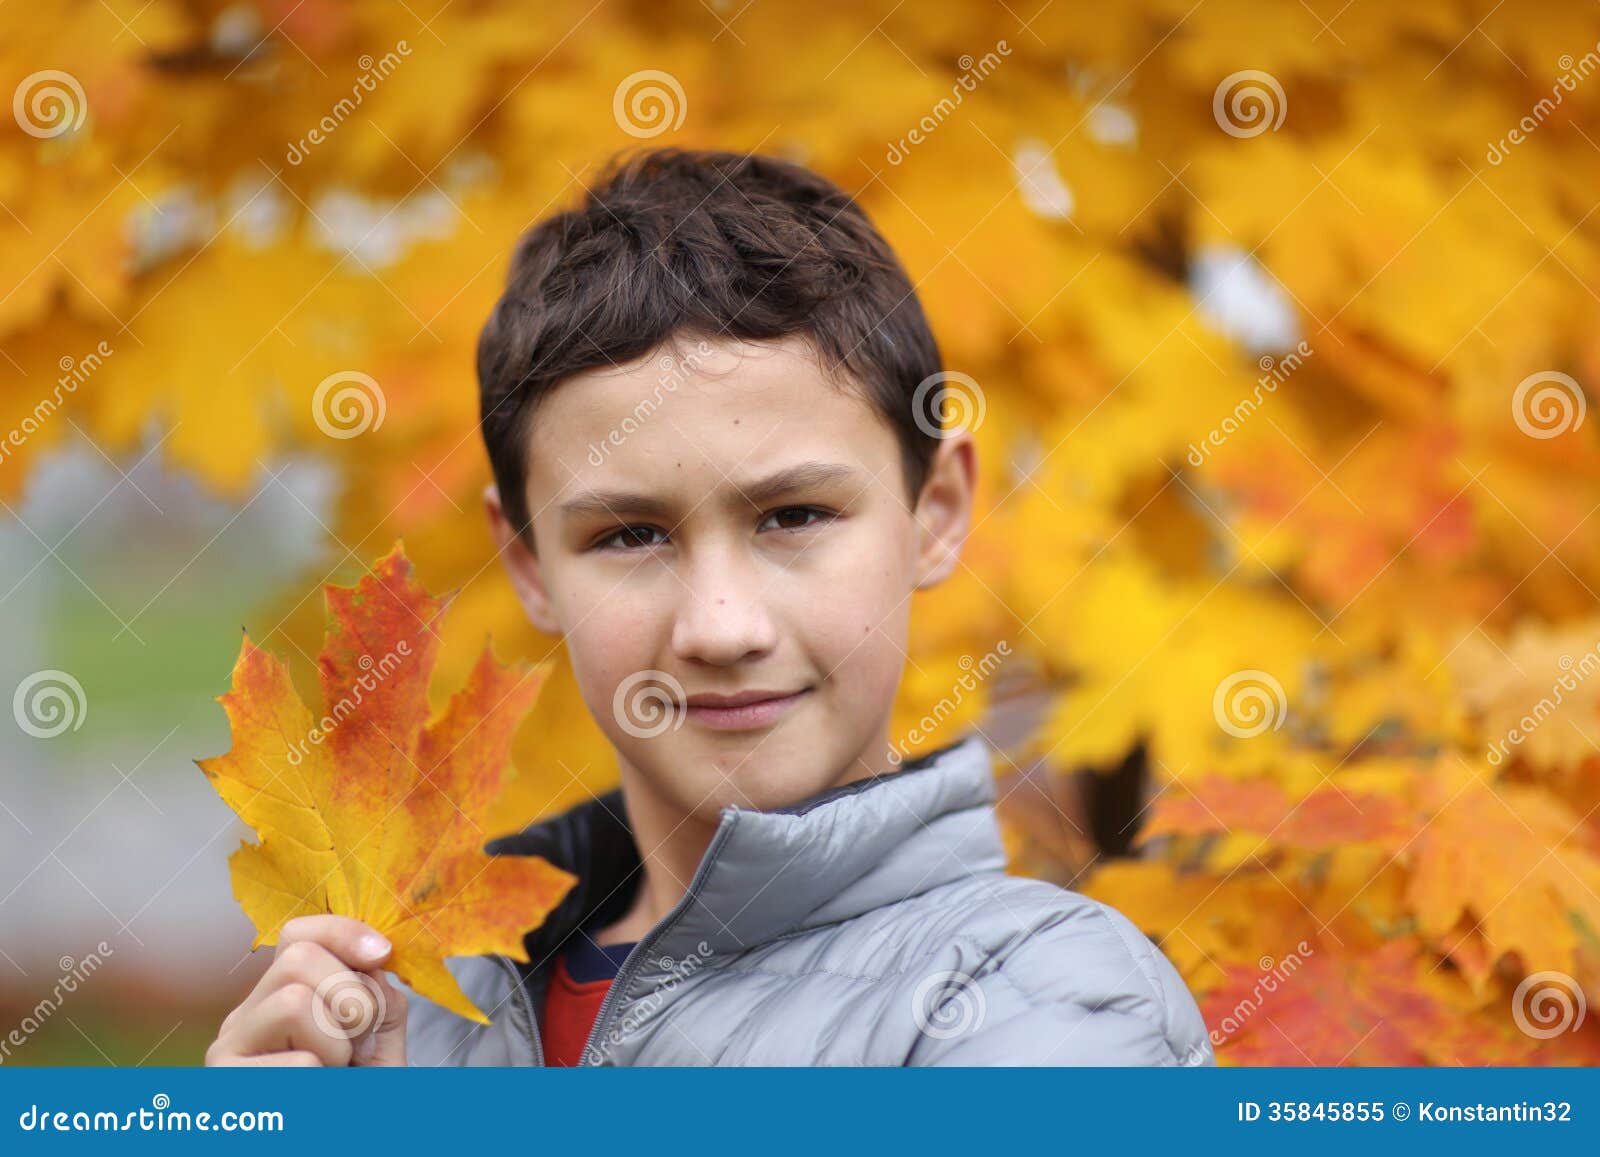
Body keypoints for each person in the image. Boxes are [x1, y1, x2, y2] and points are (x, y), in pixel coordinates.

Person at [204, 148, 1213, 1068]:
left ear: (935, 511)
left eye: (793, 515)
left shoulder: (1037, 997)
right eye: (630, 535)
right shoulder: (419, 1010)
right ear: (529, 563)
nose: (721, 626)